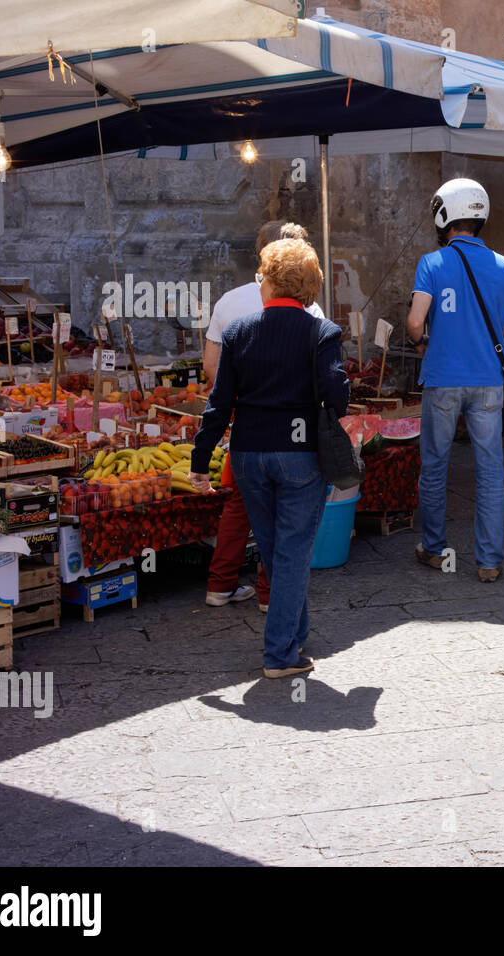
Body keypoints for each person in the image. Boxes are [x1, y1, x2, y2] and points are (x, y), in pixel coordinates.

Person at [190, 238, 349, 680]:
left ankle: (295, 632)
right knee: (293, 553)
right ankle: (280, 654)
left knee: (278, 549)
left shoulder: (239, 332)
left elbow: (218, 404)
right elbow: (338, 397)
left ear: (270, 282)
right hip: (300, 456)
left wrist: (200, 461)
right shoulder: (322, 333)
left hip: (248, 456)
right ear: (309, 287)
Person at [405, 178, 504, 583]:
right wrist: (492, 327)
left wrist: (424, 339)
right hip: (488, 380)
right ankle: (489, 560)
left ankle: (437, 548)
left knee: (436, 464)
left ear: (446, 216)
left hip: (443, 378)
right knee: (491, 469)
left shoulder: (432, 263)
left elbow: (413, 322)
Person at [201, 221, 326, 612]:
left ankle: (219, 585)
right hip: (294, 436)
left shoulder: (229, 302)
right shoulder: (312, 309)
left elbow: (210, 370)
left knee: (240, 506)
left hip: (248, 430)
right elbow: (326, 383)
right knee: (287, 519)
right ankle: (272, 597)